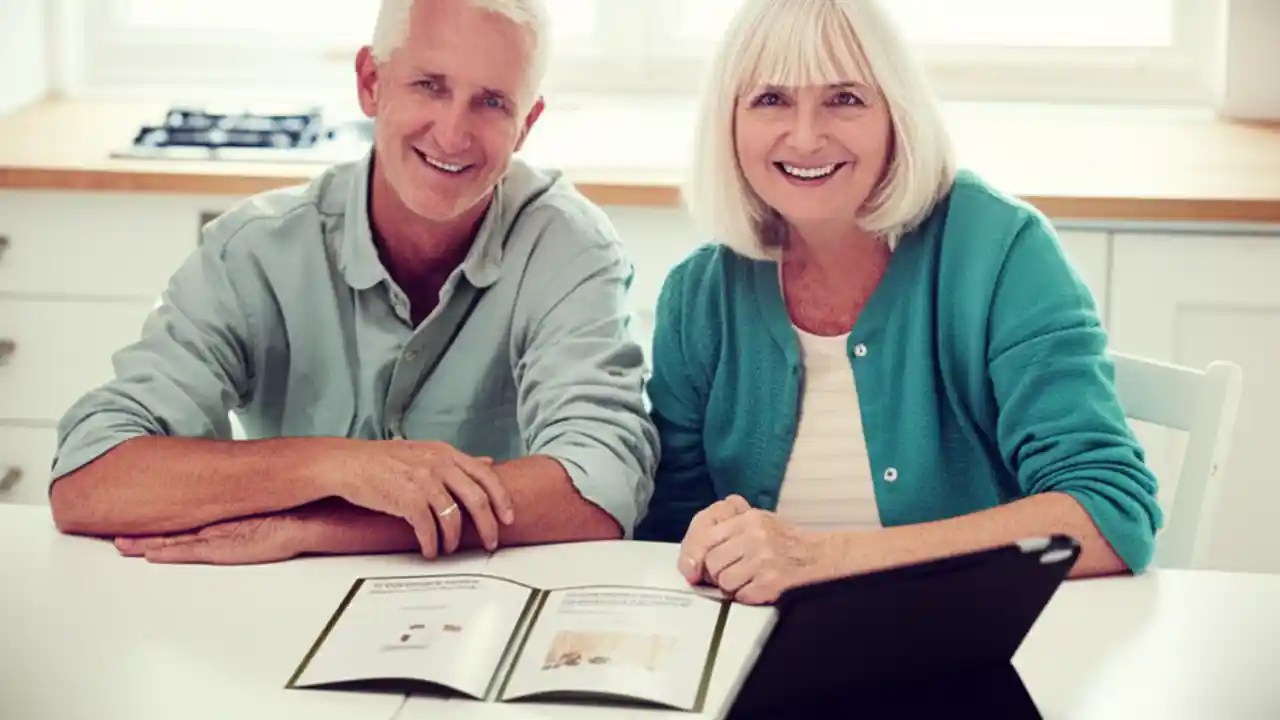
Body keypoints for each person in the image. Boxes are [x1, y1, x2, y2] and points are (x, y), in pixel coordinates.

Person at [49, 0, 658, 565]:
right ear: (371, 82)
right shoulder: (255, 250)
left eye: (492, 102)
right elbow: (90, 478)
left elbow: (600, 484)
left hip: (486, 608)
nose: (452, 133)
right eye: (430, 85)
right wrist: (334, 465)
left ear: (527, 123)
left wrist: (322, 526)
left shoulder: (569, 246)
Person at [635, 0, 1162, 604]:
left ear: (896, 116)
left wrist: (827, 559)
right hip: (761, 669)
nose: (806, 137)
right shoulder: (699, 295)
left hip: (967, 651)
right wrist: (701, 545)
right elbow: (664, 532)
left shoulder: (999, 251)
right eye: (770, 99)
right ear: (728, 123)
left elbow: (1110, 514)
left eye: (845, 99)